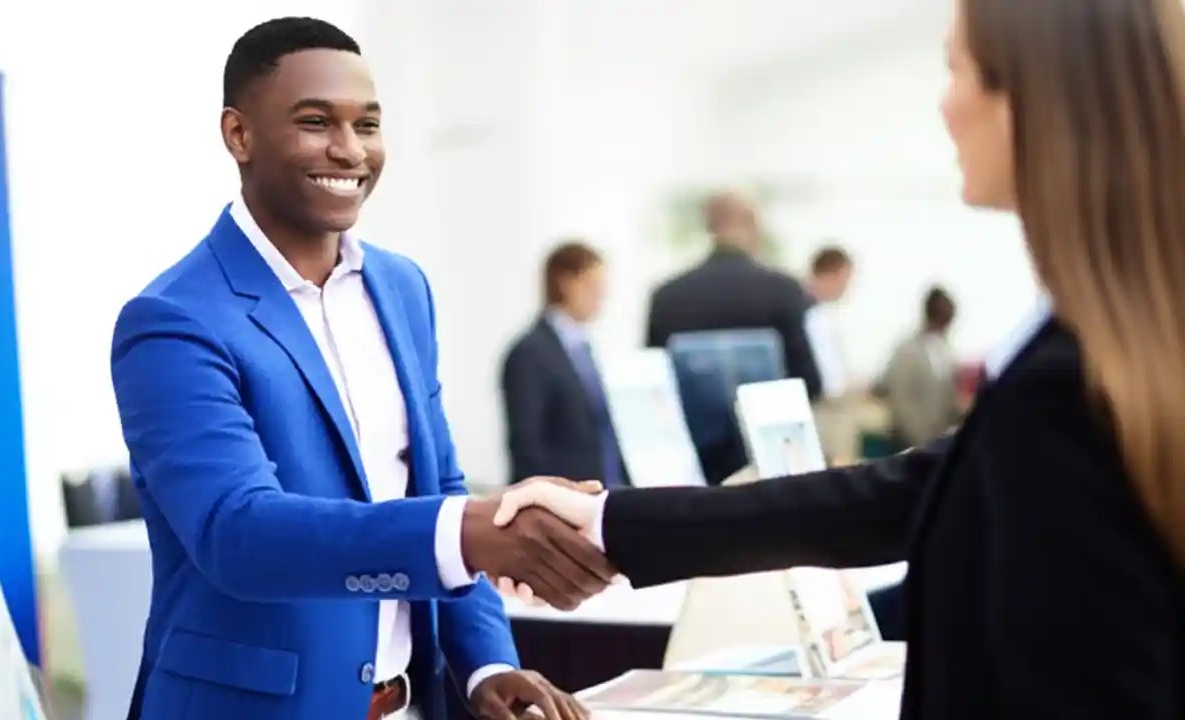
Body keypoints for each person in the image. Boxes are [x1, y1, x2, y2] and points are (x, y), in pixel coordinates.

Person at [489, 0, 1185, 717]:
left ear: (1038, 97)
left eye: (958, 70)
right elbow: (892, 497)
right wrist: (613, 523)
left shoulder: (1063, 386)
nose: (944, 106)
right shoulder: (1101, 357)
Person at [109, 18, 608, 720]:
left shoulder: (403, 289)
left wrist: (486, 663)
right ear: (239, 135)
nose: (349, 150)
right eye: (315, 122)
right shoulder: (173, 319)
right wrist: (471, 530)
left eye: (367, 125)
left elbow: (436, 483)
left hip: (409, 703)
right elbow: (239, 535)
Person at [645, 192, 822, 481]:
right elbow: (810, 383)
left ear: (709, 227)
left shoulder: (667, 297)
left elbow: (655, 392)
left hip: (695, 474)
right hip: (768, 470)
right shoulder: (783, 291)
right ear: (754, 226)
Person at [501, 242, 627, 488]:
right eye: (593, 286)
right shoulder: (530, 352)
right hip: (561, 500)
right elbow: (527, 445)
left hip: (601, 495)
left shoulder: (585, 350)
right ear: (565, 282)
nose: (601, 298)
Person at [877, 287, 963, 449]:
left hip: (938, 443)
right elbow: (901, 400)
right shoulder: (908, 350)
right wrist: (922, 441)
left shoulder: (945, 350)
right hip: (909, 443)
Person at [803, 247, 859, 464]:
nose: (847, 288)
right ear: (831, 274)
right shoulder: (807, 313)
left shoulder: (824, 314)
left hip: (833, 411)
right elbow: (827, 380)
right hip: (821, 413)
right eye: (845, 280)